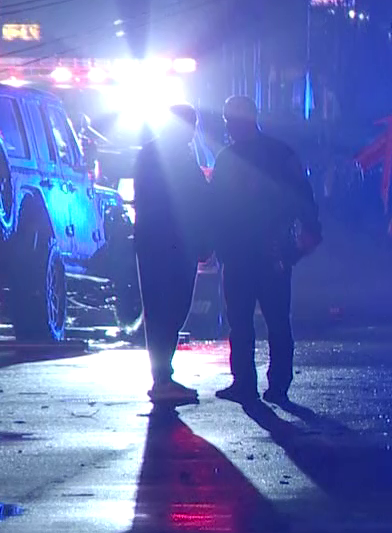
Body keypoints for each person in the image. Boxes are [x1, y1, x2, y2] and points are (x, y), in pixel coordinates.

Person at [208, 95, 321, 405]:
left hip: (251, 252)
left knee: (246, 320)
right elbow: (303, 197)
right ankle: (274, 385)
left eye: (231, 122)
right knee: (271, 320)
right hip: (268, 251)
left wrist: (215, 245)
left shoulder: (229, 158)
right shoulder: (279, 153)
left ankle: (248, 383)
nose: (229, 127)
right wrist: (305, 238)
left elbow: (214, 208)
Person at [131, 104, 208, 404]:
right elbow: (186, 198)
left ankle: (164, 375)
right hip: (165, 243)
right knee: (165, 308)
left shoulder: (175, 153)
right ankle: (162, 378)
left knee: (172, 308)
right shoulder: (159, 154)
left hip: (171, 242)